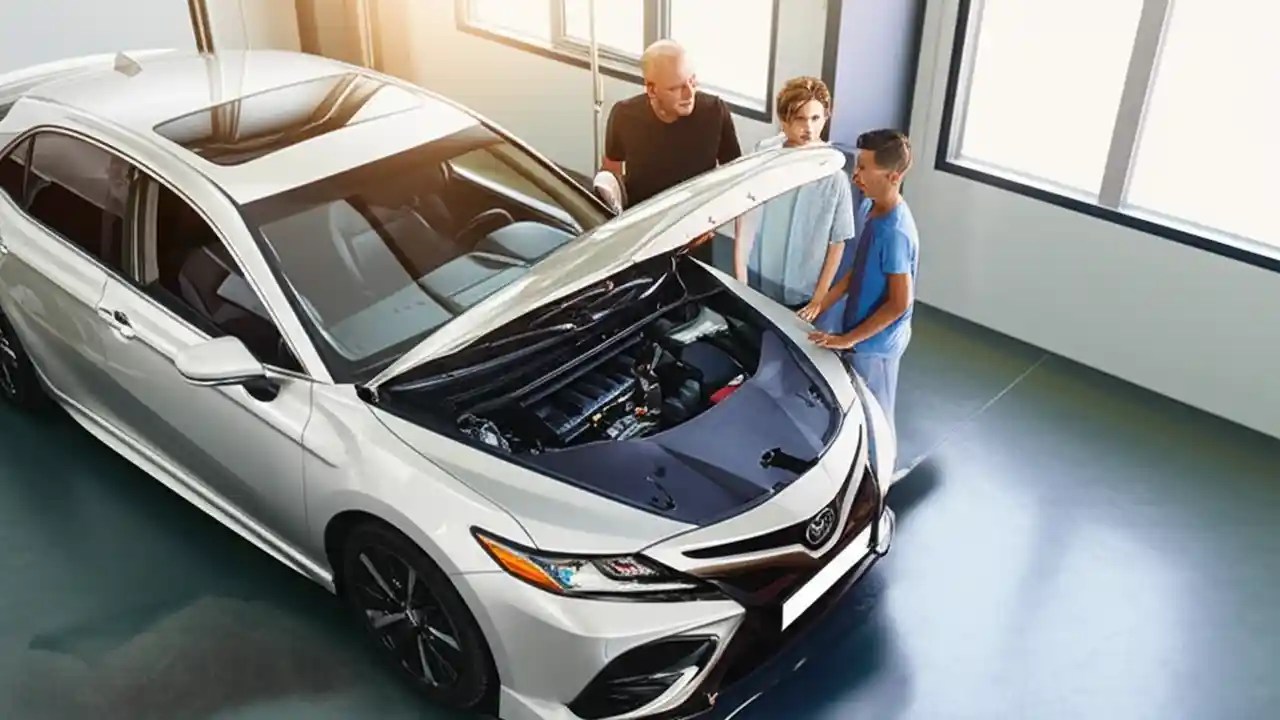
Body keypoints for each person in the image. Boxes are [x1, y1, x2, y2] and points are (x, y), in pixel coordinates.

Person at [806, 129, 918, 435]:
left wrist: (849, 339)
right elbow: (860, 268)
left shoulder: (895, 232)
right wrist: (819, 305)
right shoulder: (870, 207)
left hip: (877, 346)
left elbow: (900, 302)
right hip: (860, 333)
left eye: (864, 168)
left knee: (876, 418)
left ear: (893, 177)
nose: (856, 175)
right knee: (856, 409)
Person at [733, 76, 854, 332]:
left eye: (816, 118)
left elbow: (838, 242)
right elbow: (745, 216)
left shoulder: (834, 176)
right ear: (784, 119)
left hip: (802, 288)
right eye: (800, 119)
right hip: (760, 278)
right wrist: (740, 277)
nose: (809, 128)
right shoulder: (764, 155)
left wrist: (819, 298)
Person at [601, 39, 743, 209]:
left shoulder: (715, 111)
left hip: (696, 215)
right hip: (643, 215)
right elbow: (611, 174)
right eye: (676, 88)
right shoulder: (624, 115)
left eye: (692, 81)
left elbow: (736, 176)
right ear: (652, 90)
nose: (689, 94)